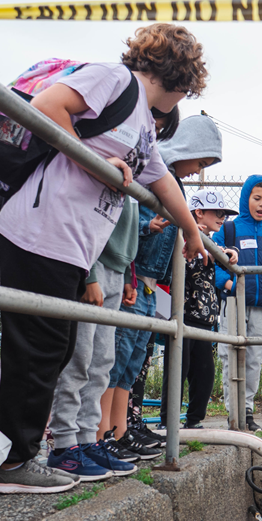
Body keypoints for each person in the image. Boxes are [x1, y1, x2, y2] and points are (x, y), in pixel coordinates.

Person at [0, 24, 209, 495]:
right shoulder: (113, 79)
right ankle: (12, 463)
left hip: (70, 244)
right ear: (180, 79)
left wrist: (191, 230)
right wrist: (94, 161)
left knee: (57, 348)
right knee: (38, 348)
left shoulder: (144, 124)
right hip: (40, 231)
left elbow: (162, 181)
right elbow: (47, 106)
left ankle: (21, 454)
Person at [45, 108, 180, 481]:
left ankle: (90, 439)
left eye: (159, 129)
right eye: (152, 125)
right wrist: (87, 273)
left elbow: (126, 233)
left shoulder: (136, 170)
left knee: (103, 358)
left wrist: (131, 274)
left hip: (119, 268)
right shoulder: (101, 156)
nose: (153, 133)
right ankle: (64, 444)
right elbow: (82, 217)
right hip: (94, 264)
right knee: (80, 357)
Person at [98, 114, 223, 454]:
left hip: (153, 284)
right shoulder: (149, 174)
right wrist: (147, 227)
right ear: (185, 147)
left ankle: (121, 431)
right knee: (114, 357)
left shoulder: (172, 182)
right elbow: (125, 216)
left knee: (131, 361)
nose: (198, 170)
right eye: (199, 161)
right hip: (133, 276)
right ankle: (101, 435)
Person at [159, 189, 238, 429]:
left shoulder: (211, 241)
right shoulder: (182, 234)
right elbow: (183, 261)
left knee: (204, 372)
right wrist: (197, 240)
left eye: (224, 213)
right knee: (176, 371)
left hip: (205, 318)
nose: (222, 217)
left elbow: (219, 254)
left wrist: (229, 253)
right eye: (217, 212)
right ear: (199, 212)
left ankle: (194, 419)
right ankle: (167, 420)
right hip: (183, 315)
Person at [213, 176, 262, 433]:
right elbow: (216, 263)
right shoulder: (228, 230)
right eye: (257, 198)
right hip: (233, 303)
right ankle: (234, 410)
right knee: (230, 354)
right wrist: (228, 284)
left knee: (255, 357)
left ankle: (247, 410)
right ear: (246, 198)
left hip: (261, 305)